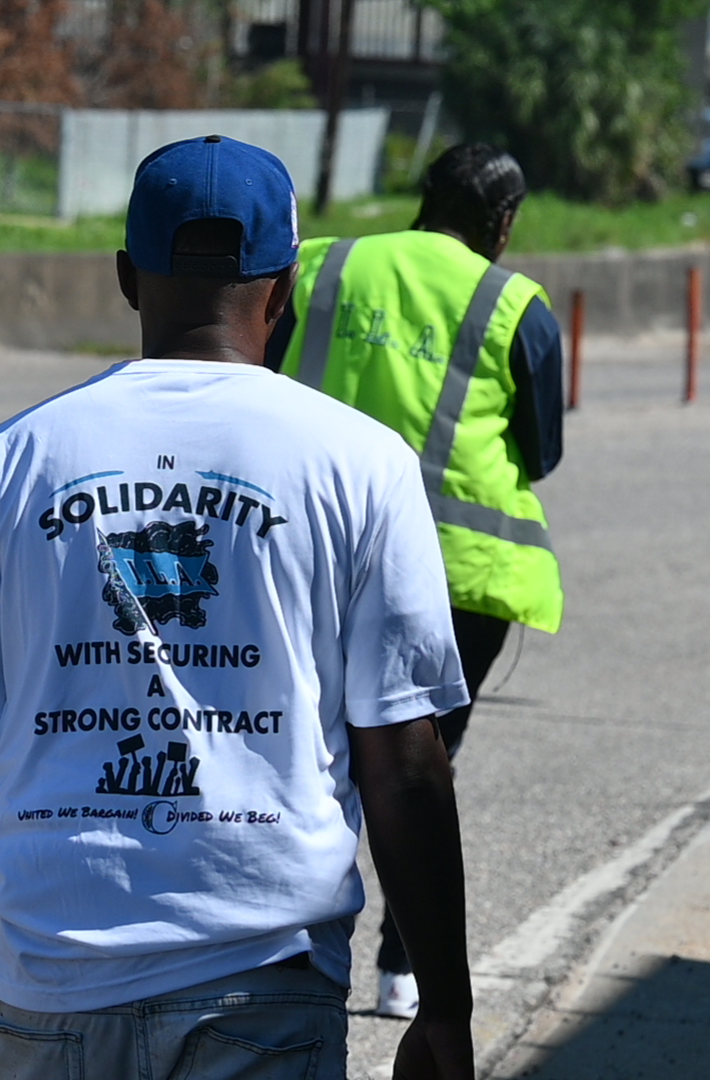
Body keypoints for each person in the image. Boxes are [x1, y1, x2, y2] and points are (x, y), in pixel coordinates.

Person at [0, 134, 478, 1080]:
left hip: (42, 984)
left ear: (127, 278)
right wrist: (445, 1012)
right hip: (262, 981)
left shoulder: (15, 459)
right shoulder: (361, 463)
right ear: (285, 287)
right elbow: (407, 767)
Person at [266, 143, 565, 1021]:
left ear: (423, 199)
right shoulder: (515, 306)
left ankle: (278, 950)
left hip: (311, 554)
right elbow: (542, 452)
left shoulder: (322, 265)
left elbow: (256, 372)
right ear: (503, 224)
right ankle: (401, 969)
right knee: (420, 772)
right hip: (454, 577)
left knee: (297, 754)